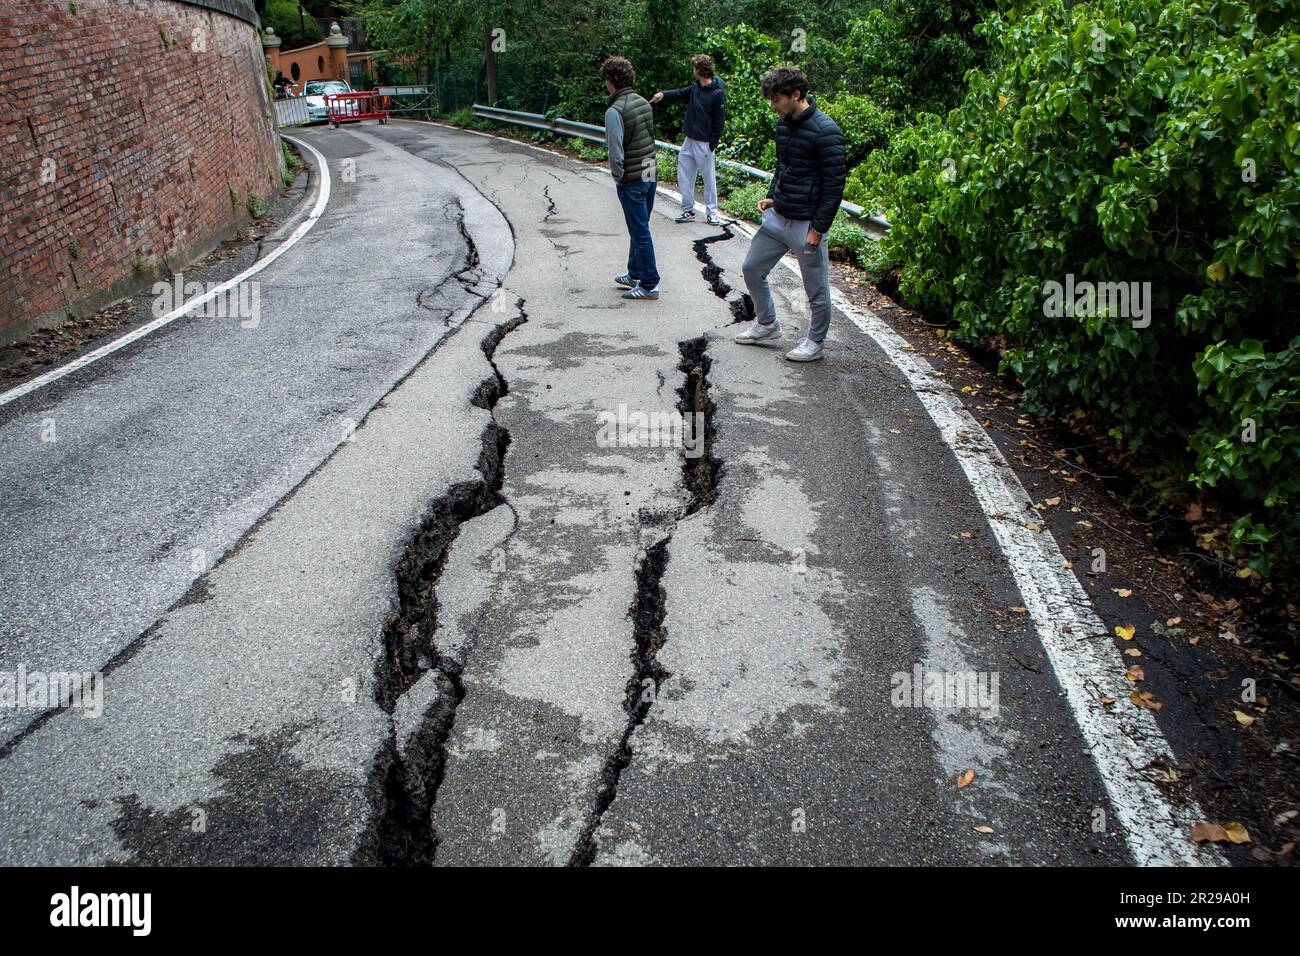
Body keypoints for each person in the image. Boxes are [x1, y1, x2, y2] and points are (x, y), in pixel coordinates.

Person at [735, 66, 846, 362]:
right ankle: (767, 323)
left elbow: (834, 187)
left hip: (807, 224)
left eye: (777, 100)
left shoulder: (826, 131)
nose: (773, 106)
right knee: (751, 268)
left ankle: (815, 342)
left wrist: (818, 229)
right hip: (779, 217)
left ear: (796, 95)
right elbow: (784, 166)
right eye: (770, 99)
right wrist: (772, 196)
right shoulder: (784, 124)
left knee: (816, 290)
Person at [602, 56, 660, 301]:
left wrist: (619, 177)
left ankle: (649, 284)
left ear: (610, 81)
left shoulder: (615, 111)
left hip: (633, 177)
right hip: (649, 171)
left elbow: (616, 152)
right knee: (641, 226)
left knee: (639, 231)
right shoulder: (642, 102)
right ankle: (634, 273)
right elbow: (647, 137)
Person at [650, 54, 726, 226]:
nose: (693, 71)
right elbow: (679, 93)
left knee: (708, 179)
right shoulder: (695, 88)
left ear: (700, 70)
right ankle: (688, 210)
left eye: (694, 68)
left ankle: (712, 213)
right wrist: (663, 95)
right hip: (689, 140)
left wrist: (712, 144)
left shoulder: (716, 93)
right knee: (684, 175)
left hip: (704, 143)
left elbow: (719, 122)